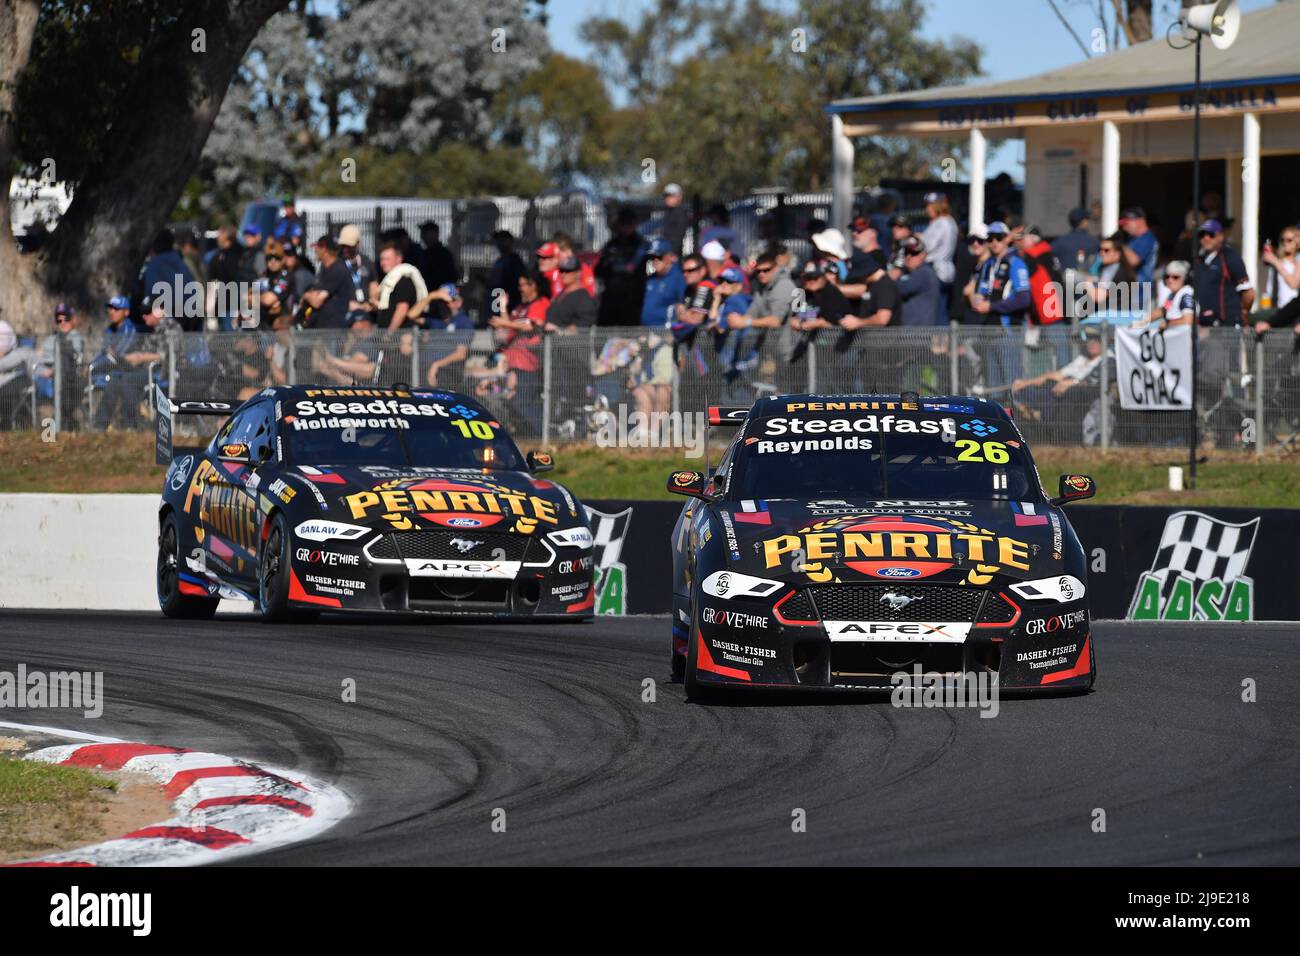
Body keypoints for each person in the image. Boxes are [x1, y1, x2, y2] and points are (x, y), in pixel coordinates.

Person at [970, 221, 1032, 391]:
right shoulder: (988, 264)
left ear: (1007, 239)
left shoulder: (1015, 263)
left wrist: (991, 306)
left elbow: (1024, 298)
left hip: (1008, 331)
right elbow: (980, 293)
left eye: (999, 237)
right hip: (989, 330)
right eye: (990, 238)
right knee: (993, 387)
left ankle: (1016, 417)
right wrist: (977, 300)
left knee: (1011, 385)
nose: (995, 242)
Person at [594, 207, 649, 326]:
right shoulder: (612, 244)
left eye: (629, 223)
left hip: (631, 298)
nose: (625, 227)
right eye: (623, 223)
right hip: (611, 297)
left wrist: (613, 265)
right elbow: (599, 269)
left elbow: (631, 268)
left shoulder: (640, 244)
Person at [1194, 219, 1253, 327]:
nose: (1206, 238)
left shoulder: (1230, 257)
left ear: (1220, 236)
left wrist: (1242, 313)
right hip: (1204, 325)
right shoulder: (1199, 260)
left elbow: (1248, 294)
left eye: (1211, 234)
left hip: (1226, 327)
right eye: (1202, 235)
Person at [34, 303, 86, 425]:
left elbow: (76, 358)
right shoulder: (53, 338)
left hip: (71, 381)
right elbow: (38, 355)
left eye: (66, 318)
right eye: (59, 320)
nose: (62, 322)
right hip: (49, 378)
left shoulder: (76, 338)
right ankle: (50, 434)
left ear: (72, 319)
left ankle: (61, 425)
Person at [417, 285, 475, 390]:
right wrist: (430, 297)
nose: (445, 305)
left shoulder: (464, 322)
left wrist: (436, 365)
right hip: (421, 367)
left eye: (448, 301)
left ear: (459, 302)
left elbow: (461, 354)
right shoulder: (436, 318)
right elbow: (412, 315)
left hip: (445, 373)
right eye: (441, 301)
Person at [300, 234, 354, 330]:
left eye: (317, 248)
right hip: (320, 325)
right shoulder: (324, 269)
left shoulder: (338, 269)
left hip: (333, 329)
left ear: (324, 249)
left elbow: (317, 301)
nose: (315, 251)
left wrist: (305, 295)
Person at [374, 240, 428, 333]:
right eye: (382, 259)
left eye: (387, 259)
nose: (383, 263)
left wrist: (389, 333)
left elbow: (402, 309)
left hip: (400, 337)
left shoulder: (403, 280)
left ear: (398, 259)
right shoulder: (388, 281)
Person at [315, 311, 382, 385]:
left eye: (351, 326)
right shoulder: (359, 342)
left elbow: (355, 363)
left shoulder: (371, 341)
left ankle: (333, 362)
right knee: (325, 368)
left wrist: (333, 362)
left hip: (375, 384)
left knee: (330, 367)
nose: (350, 330)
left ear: (361, 324)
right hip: (361, 383)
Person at [920, 192, 957, 321]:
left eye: (931, 205)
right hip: (945, 270)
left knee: (936, 313)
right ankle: (942, 341)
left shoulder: (941, 222)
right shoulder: (949, 221)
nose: (927, 209)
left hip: (936, 270)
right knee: (940, 310)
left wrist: (915, 237)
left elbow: (926, 246)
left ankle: (940, 342)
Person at [891, 235, 940, 327]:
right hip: (909, 331)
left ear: (922, 255)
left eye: (913, 253)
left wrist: (892, 278)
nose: (909, 257)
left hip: (917, 334)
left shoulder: (924, 272)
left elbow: (903, 289)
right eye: (906, 253)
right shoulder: (907, 272)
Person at [485, 230, 527, 323]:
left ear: (510, 241)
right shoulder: (499, 260)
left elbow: (516, 281)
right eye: (498, 240)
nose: (500, 243)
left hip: (509, 302)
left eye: (503, 240)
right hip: (495, 299)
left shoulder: (514, 260)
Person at [1119, 207, 1160, 303]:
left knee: (1138, 317)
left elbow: (1134, 261)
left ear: (1140, 221)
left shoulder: (1147, 238)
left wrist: (1119, 244)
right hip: (1132, 289)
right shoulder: (1133, 239)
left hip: (1142, 291)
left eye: (1127, 223)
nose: (1124, 228)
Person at [337, 224, 377, 322]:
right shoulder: (337, 264)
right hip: (345, 314)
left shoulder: (367, 262)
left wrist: (372, 303)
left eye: (349, 246)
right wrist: (347, 304)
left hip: (367, 314)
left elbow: (374, 284)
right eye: (343, 246)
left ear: (358, 243)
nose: (345, 249)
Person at [546, 256, 597, 332]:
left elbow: (585, 325)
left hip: (568, 343)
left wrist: (559, 331)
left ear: (578, 273)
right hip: (549, 341)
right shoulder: (560, 295)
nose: (563, 274)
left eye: (568, 271)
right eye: (561, 270)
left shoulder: (583, 299)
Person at [641, 238, 685, 327]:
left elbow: (684, 306)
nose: (655, 260)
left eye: (659, 256)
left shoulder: (679, 278)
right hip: (646, 330)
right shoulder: (650, 278)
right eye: (652, 257)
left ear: (671, 257)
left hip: (667, 331)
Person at [1143, 260, 1195, 330]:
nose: (1170, 280)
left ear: (1184, 278)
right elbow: (1162, 311)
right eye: (1167, 276)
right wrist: (1142, 321)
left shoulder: (1186, 296)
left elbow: (1188, 321)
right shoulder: (1172, 294)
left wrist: (1168, 323)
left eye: (1175, 277)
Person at [1052, 207, 1101, 271]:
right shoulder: (1094, 242)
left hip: (1064, 278)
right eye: (1087, 220)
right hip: (1087, 278)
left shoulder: (1058, 242)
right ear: (1084, 222)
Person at [417, 220, 459, 290]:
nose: (422, 235)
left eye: (424, 232)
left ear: (433, 234)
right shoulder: (426, 253)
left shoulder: (442, 254)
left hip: (438, 294)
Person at [659, 183, 689, 255]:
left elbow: (679, 235)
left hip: (672, 254)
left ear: (679, 197)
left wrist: (671, 253)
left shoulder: (680, 212)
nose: (667, 198)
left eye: (671, 195)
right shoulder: (668, 211)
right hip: (665, 251)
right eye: (666, 196)